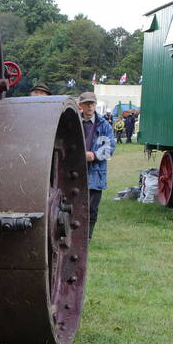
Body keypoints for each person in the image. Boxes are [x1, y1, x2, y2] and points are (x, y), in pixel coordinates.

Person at [76, 91, 115, 237]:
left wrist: (94, 155)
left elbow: (110, 148)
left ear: (95, 104)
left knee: (92, 208)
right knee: (74, 206)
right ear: (81, 105)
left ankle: (87, 238)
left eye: (92, 103)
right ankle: (75, 236)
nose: (89, 106)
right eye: (86, 104)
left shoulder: (104, 125)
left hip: (96, 172)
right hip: (75, 170)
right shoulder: (73, 122)